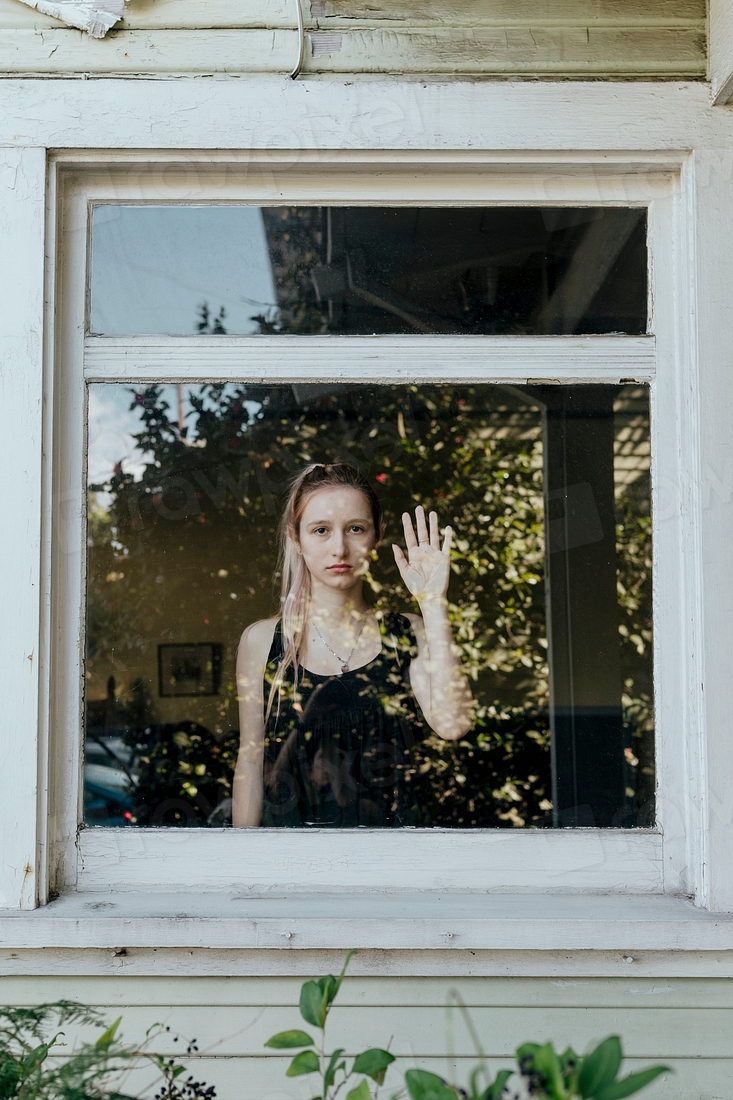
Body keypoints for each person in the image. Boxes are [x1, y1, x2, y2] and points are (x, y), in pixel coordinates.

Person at [233, 462, 474, 828]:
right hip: (291, 863)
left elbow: (453, 724)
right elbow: (250, 761)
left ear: (377, 535)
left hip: (395, 860)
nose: (339, 548)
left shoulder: (409, 633)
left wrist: (432, 602)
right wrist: (243, 863)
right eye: (321, 530)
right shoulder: (262, 641)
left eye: (355, 529)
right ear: (296, 538)